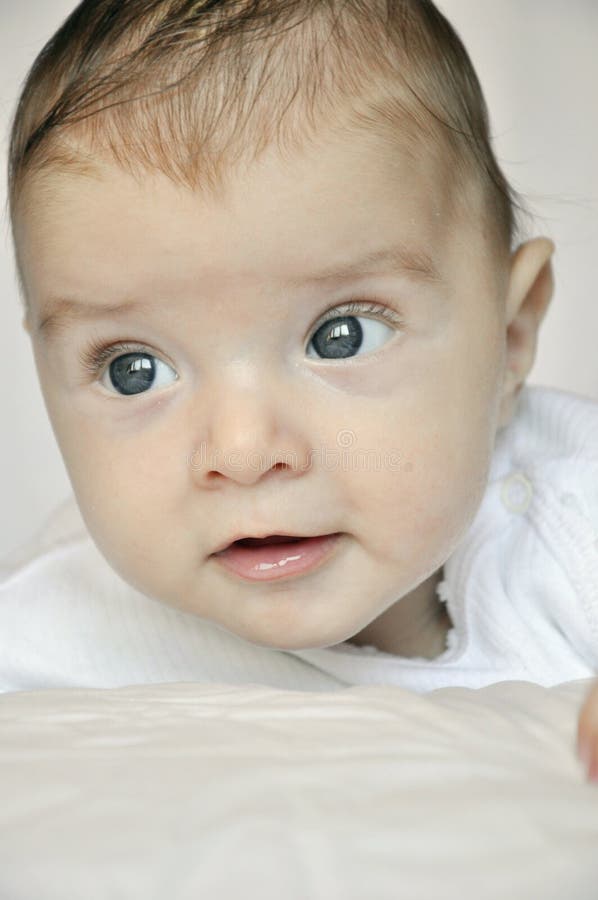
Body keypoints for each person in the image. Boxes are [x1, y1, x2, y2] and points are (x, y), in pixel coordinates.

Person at [4, 0, 598, 779]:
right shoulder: (54, 625)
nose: (245, 453)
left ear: (511, 338)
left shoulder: (571, 521)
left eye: (340, 336)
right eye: (133, 368)